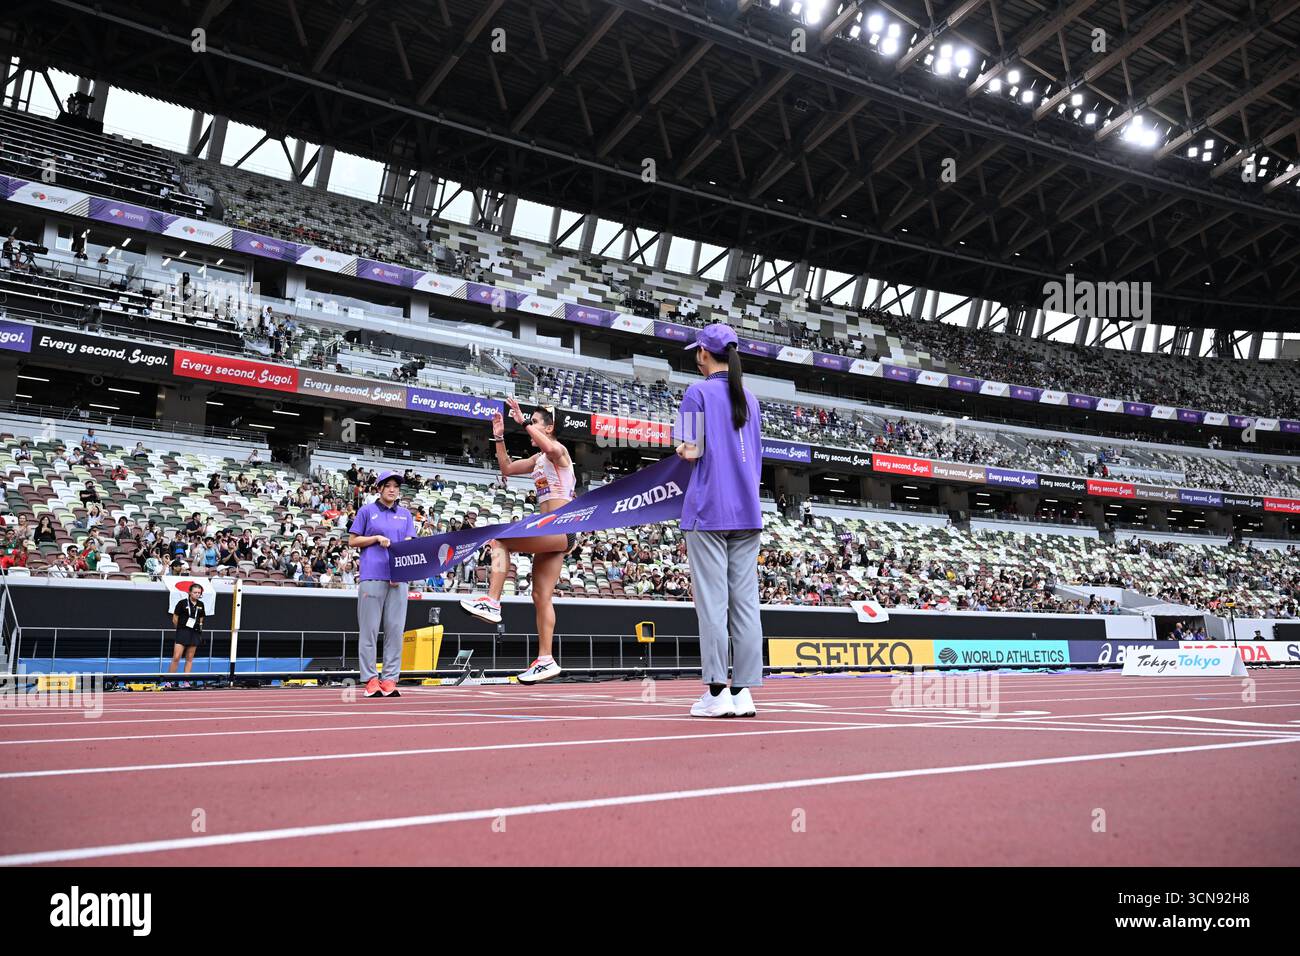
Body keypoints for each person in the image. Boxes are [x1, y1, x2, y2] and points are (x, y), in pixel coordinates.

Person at [675, 323, 764, 718]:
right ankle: (743, 691)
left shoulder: (696, 393)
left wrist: (679, 447)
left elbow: (690, 451)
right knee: (745, 604)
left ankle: (716, 693)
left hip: (709, 509)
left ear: (703, 355)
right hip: (747, 510)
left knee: (713, 603)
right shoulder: (751, 398)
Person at [460, 399, 575, 685]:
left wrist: (523, 421)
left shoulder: (559, 452)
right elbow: (507, 469)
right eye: (530, 423)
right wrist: (499, 436)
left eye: (536, 423)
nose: (530, 427)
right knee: (541, 597)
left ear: (548, 427)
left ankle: (492, 601)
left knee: (499, 539)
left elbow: (549, 446)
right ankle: (546, 659)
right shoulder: (537, 461)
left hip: (561, 526)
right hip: (554, 533)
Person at [348, 470, 417, 698]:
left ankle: (389, 679)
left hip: (399, 579)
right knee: (369, 631)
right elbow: (353, 540)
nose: (392, 489)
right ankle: (370, 679)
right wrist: (376, 538)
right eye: (388, 485)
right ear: (379, 488)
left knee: (395, 631)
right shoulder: (367, 511)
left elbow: (410, 543)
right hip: (372, 576)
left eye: (396, 486)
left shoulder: (405, 515)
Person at [169, 582, 206, 676]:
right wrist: (180, 628)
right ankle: (169, 681)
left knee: (189, 658)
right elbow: (175, 618)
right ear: (190, 592)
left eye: (199, 593)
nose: (197, 594)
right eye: (195, 592)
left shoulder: (201, 604)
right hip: (182, 632)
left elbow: (201, 617)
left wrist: (200, 627)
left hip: (195, 633)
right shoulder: (182, 603)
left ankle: (186, 681)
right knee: (176, 657)